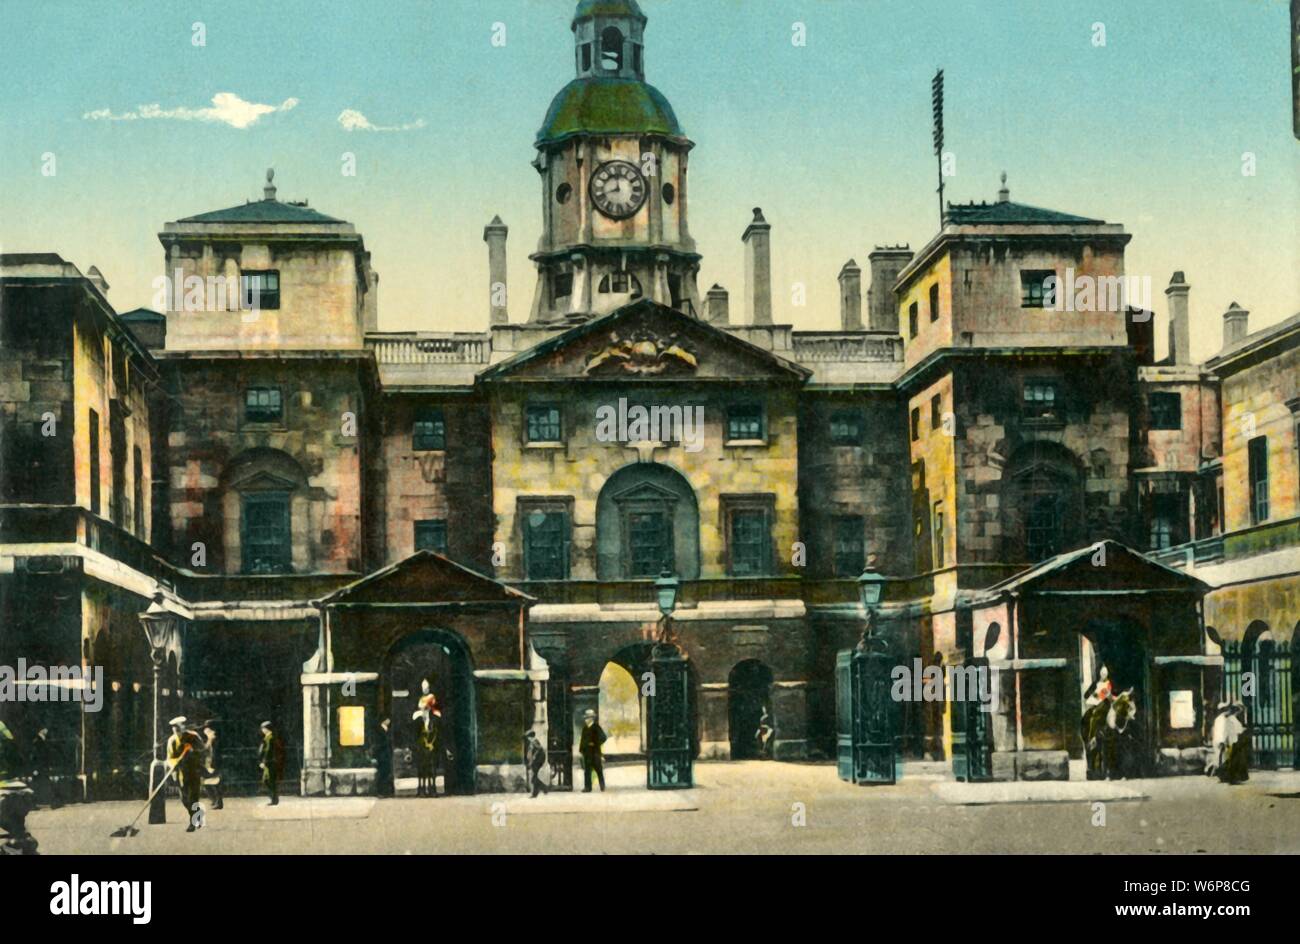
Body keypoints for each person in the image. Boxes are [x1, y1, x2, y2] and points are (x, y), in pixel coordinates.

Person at [165, 716, 204, 831]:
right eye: (173, 728)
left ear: (183, 727)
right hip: (180, 773)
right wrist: (174, 764)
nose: (176, 730)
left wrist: (193, 750)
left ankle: (193, 822)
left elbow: (203, 750)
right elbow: (170, 757)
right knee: (184, 799)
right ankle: (198, 815)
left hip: (194, 771)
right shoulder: (172, 740)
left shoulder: (193, 736)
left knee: (193, 797)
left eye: (178, 727)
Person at [1209, 700, 1250, 784]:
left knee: (1228, 759)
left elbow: (1236, 728)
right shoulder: (1222, 719)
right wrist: (1222, 741)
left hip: (1231, 740)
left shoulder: (1229, 718)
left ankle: (1227, 776)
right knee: (1225, 759)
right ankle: (1225, 776)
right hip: (1227, 741)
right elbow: (1220, 731)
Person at [579, 709, 607, 793]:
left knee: (598, 769)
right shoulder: (585, 728)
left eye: (587, 718)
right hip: (587, 753)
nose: (586, 720)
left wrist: (595, 743)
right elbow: (582, 740)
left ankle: (602, 786)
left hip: (595, 753)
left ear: (592, 718)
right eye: (585, 718)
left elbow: (603, 737)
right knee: (587, 771)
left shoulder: (596, 727)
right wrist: (581, 750)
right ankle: (587, 787)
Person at [258, 721, 285, 806]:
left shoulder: (270, 738)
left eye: (263, 728)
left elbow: (268, 751)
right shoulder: (267, 737)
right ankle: (274, 798)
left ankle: (274, 798)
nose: (262, 730)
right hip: (269, 762)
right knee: (268, 780)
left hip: (270, 762)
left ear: (267, 729)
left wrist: (264, 761)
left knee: (268, 780)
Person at [200, 720, 223, 810]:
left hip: (213, 764)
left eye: (207, 729)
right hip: (209, 763)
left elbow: (214, 754)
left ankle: (218, 801)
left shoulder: (214, 740)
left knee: (214, 783)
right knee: (208, 783)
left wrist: (212, 765)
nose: (205, 731)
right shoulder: (210, 739)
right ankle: (215, 800)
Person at [524, 729, 549, 798]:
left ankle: (540, 790)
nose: (528, 739)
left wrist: (534, 757)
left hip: (536, 762)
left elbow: (539, 749)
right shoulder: (533, 742)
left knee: (534, 778)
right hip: (535, 761)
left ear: (531, 736)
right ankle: (543, 789)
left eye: (528, 737)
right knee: (534, 777)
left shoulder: (534, 741)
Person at [374, 717, 394, 797]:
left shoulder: (387, 729)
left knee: (386, 773)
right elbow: (379, 743)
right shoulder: (380, 730)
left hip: (386, 755)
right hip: (382, 756)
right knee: (382, 774)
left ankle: (386, 791)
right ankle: (381, 791)